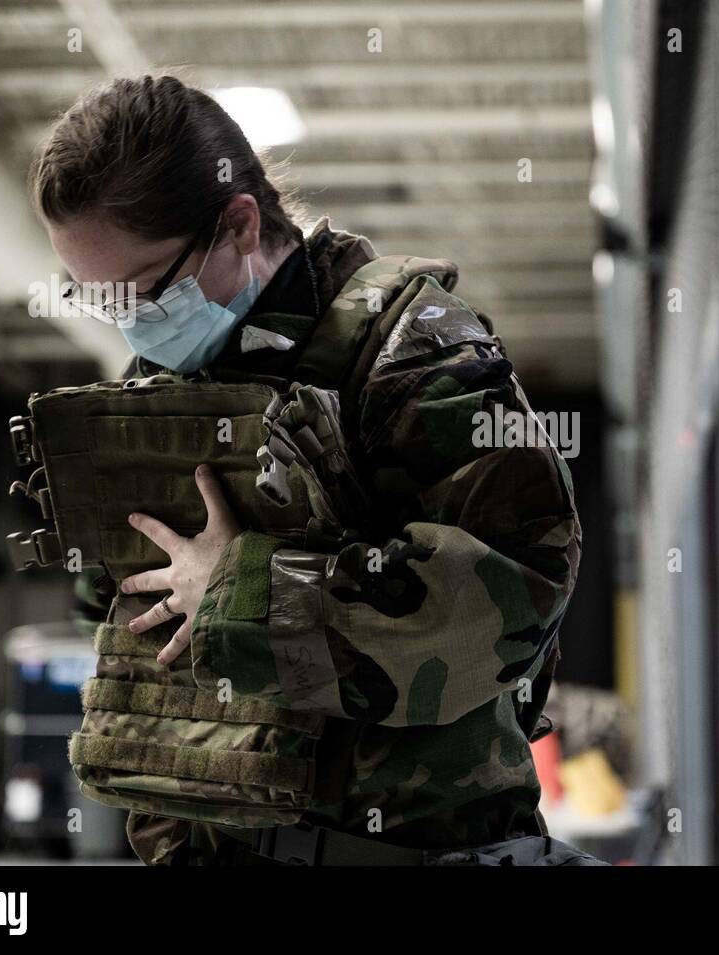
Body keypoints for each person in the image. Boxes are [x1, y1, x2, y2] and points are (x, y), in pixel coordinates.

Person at [31, 74, 595, 865]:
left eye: (146, 291)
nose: (128, 321)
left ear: (237, 222)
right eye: (97, 298)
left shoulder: (411, 350)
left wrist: (240, 592)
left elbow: (522, 593)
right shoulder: (151, 397)